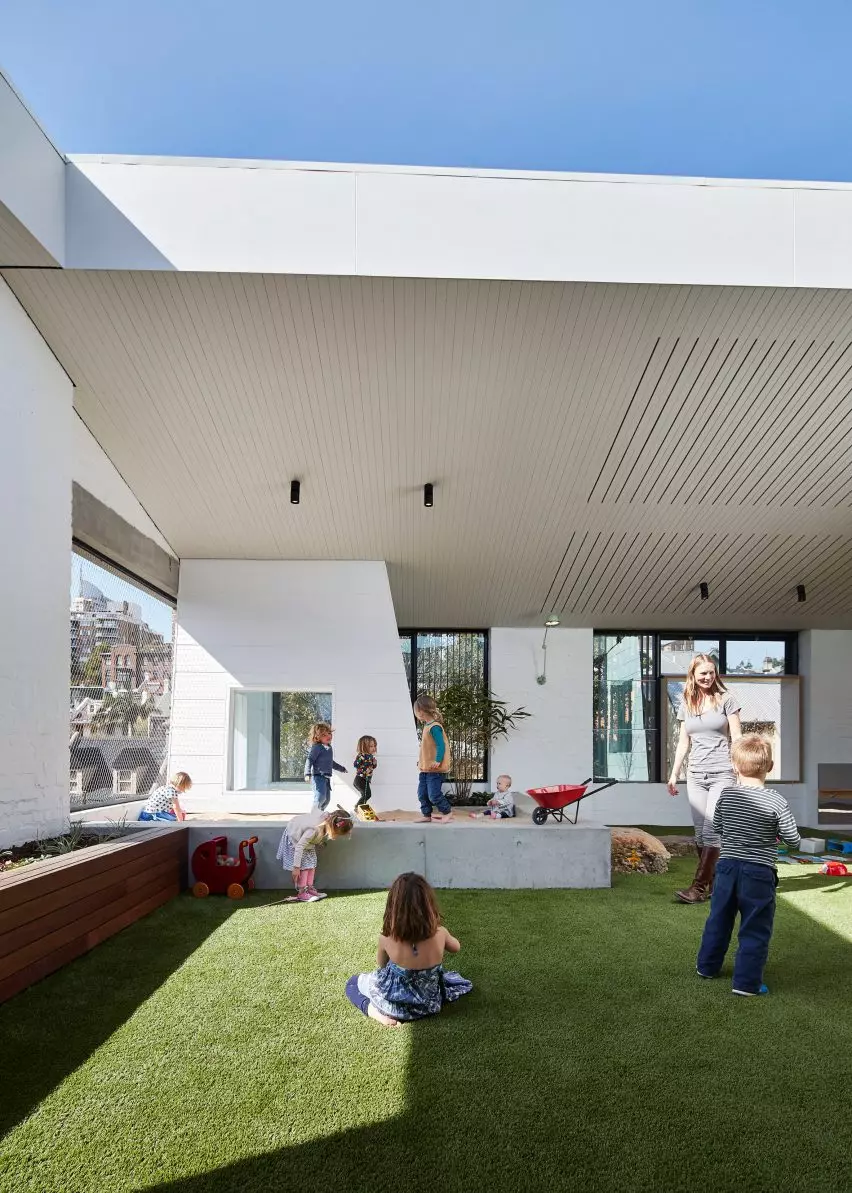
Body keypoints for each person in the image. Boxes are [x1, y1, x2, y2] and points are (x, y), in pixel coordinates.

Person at [696, 735, 800, 996]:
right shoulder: (776, 800)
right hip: (759, 873)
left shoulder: (727, 795)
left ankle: (706, 967)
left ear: (734, 766)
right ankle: (746, 983)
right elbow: (793, 840)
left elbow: (718, 827)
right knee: (755, 927)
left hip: (727, 868)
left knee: (718, 919)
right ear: (770, 766)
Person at [345, 872, 473, 1026]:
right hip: (429, 1004)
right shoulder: (441, 933)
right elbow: (456, 948)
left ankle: (375, 1012)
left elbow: (381, 965)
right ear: (428, 905)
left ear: (393, 907)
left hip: (394, 1007)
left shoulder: (386, 938)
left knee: (352, 984)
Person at [668, 654, 742, 904]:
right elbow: (683, 742)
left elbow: (737, 737)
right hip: (696, 775)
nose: (708, 677)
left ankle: (698, 888)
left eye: (711, 672)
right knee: (700, 835)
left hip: (722, 773)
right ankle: (715, 885)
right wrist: (674, 773)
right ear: (693, 675)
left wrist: (740, 770)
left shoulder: (727, 699)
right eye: (703, 673)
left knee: (712, 831)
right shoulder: (686, 703)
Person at [275, 807, 353, 902]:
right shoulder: (313, 829)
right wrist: (296, 867)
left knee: (312, 864)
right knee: (304, 866)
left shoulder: (325, 822)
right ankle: (302, 892)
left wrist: (319, 842)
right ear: (333, 826)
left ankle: (309, 888)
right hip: (295, 840)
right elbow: (299, 846)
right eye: (336, 833)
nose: (336, 837)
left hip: (306, 842)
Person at [413, 695, 454, 823]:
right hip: (425, 769)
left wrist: (437, 760)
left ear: (420, 711)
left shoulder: (434, 727)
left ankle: (447, 812)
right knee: (422, 794)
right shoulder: (426, 726)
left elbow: (441, 745)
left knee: (434, 795)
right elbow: (427, 748)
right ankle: (427, 815)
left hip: (435, 770)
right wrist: (422, 761)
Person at [304, 722, 347, 812]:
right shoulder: (317, 747)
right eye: (324, 735)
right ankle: (314, 813)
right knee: (320, 797)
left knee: (327, 800)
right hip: (318, 776)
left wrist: (341, 768)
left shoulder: (328, 747)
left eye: (329, 733)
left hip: (326, 778)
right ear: (317, 737)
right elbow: (310, 759)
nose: (328, 736)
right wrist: (307, 773)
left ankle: (319, 814)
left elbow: (330, 762)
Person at [353, 736, 378, 808]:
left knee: (365, 795)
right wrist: (365, 769)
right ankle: (357, 807)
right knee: (367, 794)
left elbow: (373, 767)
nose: (373, 748)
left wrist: (374, 763)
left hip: (365, 780)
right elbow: (356, 764)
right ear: (364, 747)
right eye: (371, 746)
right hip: (360, 779)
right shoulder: (362, 755)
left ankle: (360, 808)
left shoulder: (371, 757)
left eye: (374, 746)